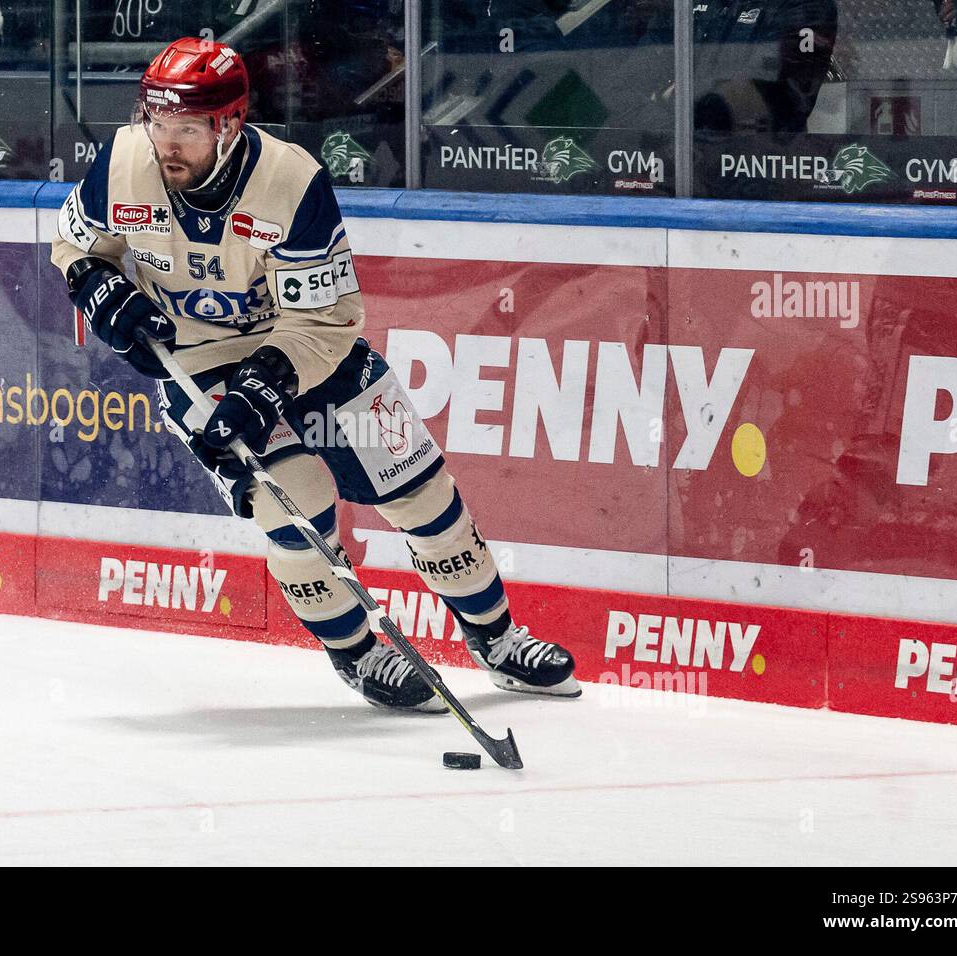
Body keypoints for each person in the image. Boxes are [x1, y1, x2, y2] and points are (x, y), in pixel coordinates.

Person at [50, 37, 581, 712]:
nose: (166, 144)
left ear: (229, 124)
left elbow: (323, 321)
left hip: (306, 348)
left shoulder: (289, 182)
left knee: (416, 487)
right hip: (198, 360)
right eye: (158, 123)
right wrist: (94, 282)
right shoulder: (123, 162)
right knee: (290, 500)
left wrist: (267, 379)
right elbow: (74, 243)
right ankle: (358, 653)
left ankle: (497, 639)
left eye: (186, 128)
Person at [693, 0, 838, 134]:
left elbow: (771, 86)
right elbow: (674, 66)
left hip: (760, 148)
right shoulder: (706, 4)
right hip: (685, 144)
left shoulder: (806, 4)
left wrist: (687, 106)